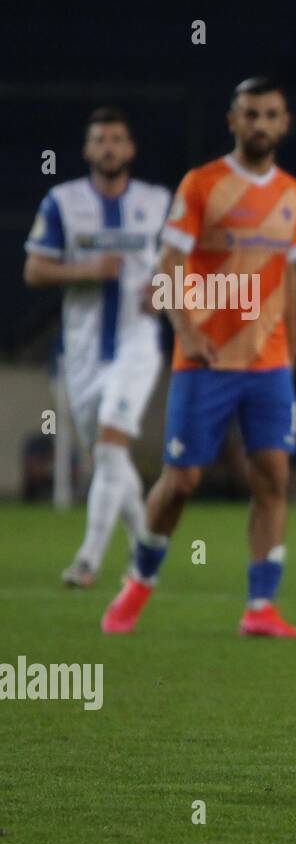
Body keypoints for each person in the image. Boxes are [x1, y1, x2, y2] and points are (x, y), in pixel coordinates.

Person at [100, 77, 296, 639]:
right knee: (182, 479)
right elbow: (168, 266)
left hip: (268, 363)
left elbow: (286, 271)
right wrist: (187, 332)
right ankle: (139, 580)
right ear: (233, 121)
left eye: (271, 114)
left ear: (284, 123)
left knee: (273, 478)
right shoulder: (202, 184)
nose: (261, 124)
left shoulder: (293, 192)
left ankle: (260, 607)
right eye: (251, 114)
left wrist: (292, 342)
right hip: (207, 361)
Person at [23, 107, 171, 588]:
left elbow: (185, 265)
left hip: (137, 344)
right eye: (100, 140)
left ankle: (87, 560)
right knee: (109, 458)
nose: (109, 148)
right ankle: (147, 547)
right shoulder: (62, 202)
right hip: (82, 352)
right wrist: (85, 271)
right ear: (88, 150)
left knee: (110, 445)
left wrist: (166, 288)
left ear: (130, 149)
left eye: (117, 140)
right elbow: (35, 270)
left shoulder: (157, 201)